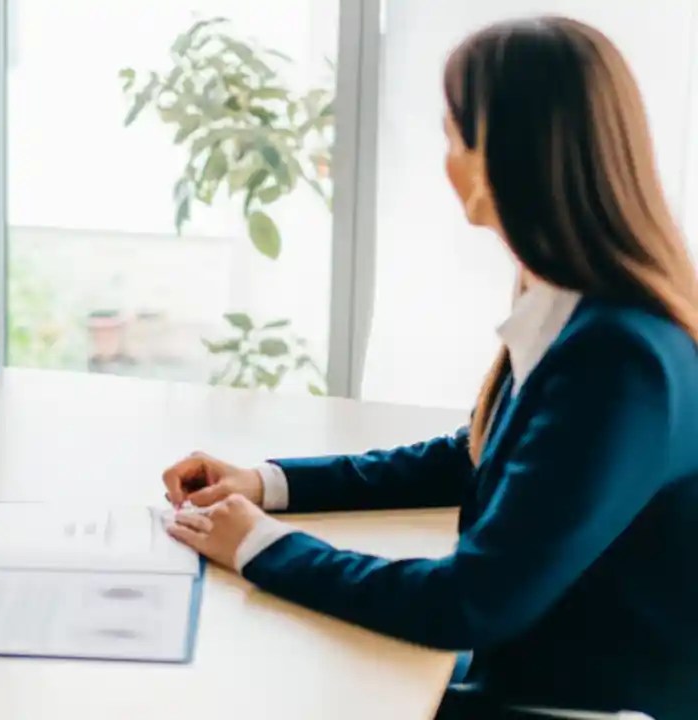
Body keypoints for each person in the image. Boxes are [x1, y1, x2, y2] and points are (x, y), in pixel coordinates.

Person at [160, 16, 698, 719]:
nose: (443, 161)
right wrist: (267, 485)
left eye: (453, 136)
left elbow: (468, 601)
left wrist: (262, 548)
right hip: (537, 676)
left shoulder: (623, 359)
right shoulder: (576, 308)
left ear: (508, 155)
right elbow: (473, 453)